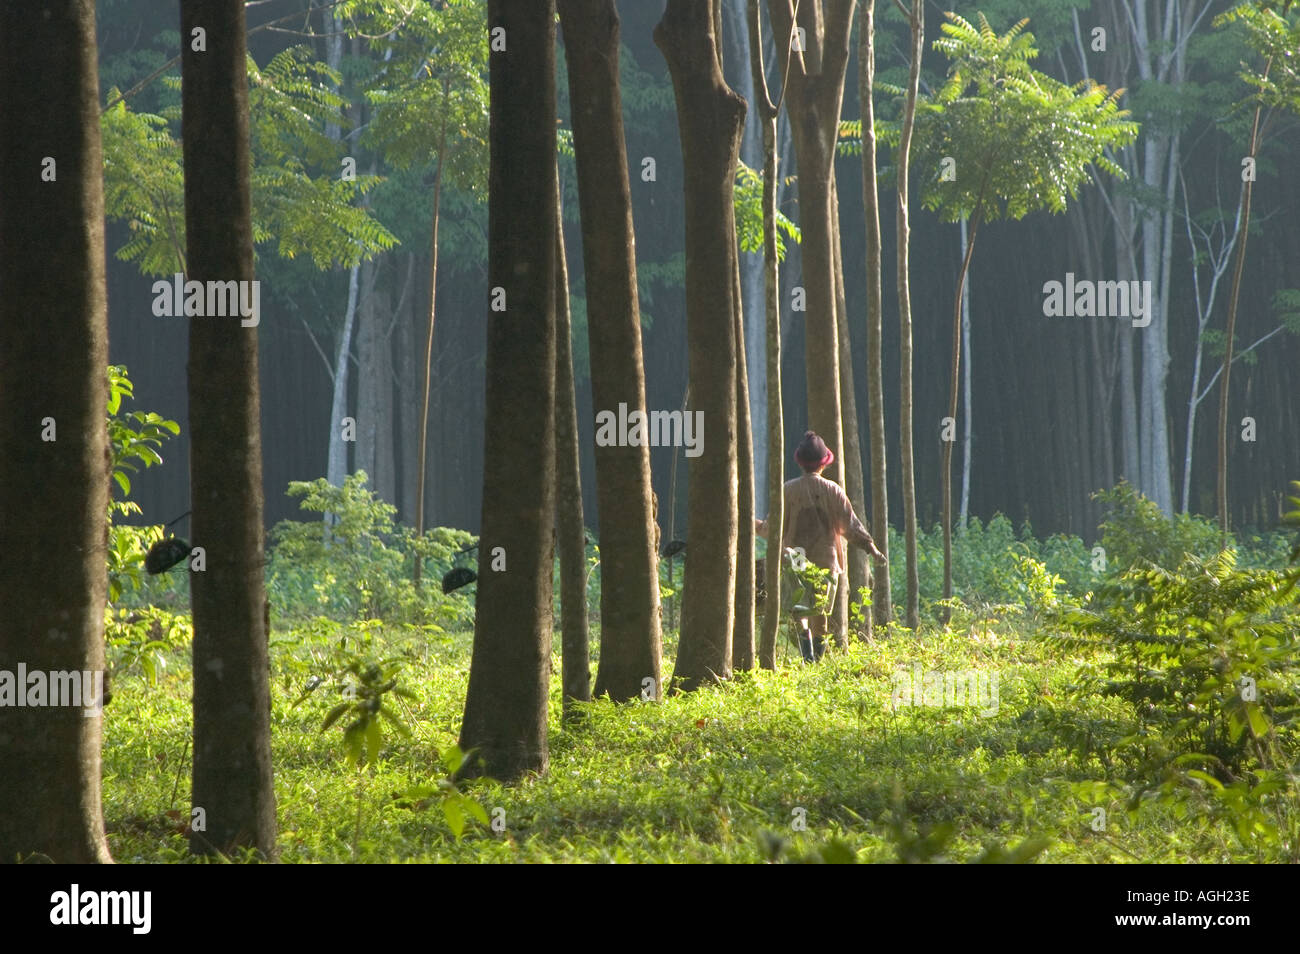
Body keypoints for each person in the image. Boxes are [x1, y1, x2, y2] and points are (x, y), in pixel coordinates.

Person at [755, 431, 884, 661]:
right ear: (824, 463)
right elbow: (851, 524)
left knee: (799, 610)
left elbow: (772, 528)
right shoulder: (833, 490)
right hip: (827, 561)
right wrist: (870, 547)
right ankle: (817, 661)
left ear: (800, 462)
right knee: (820, 611)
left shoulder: (788, 490)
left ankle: (807, 656)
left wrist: (754, 524)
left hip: (794, 559)